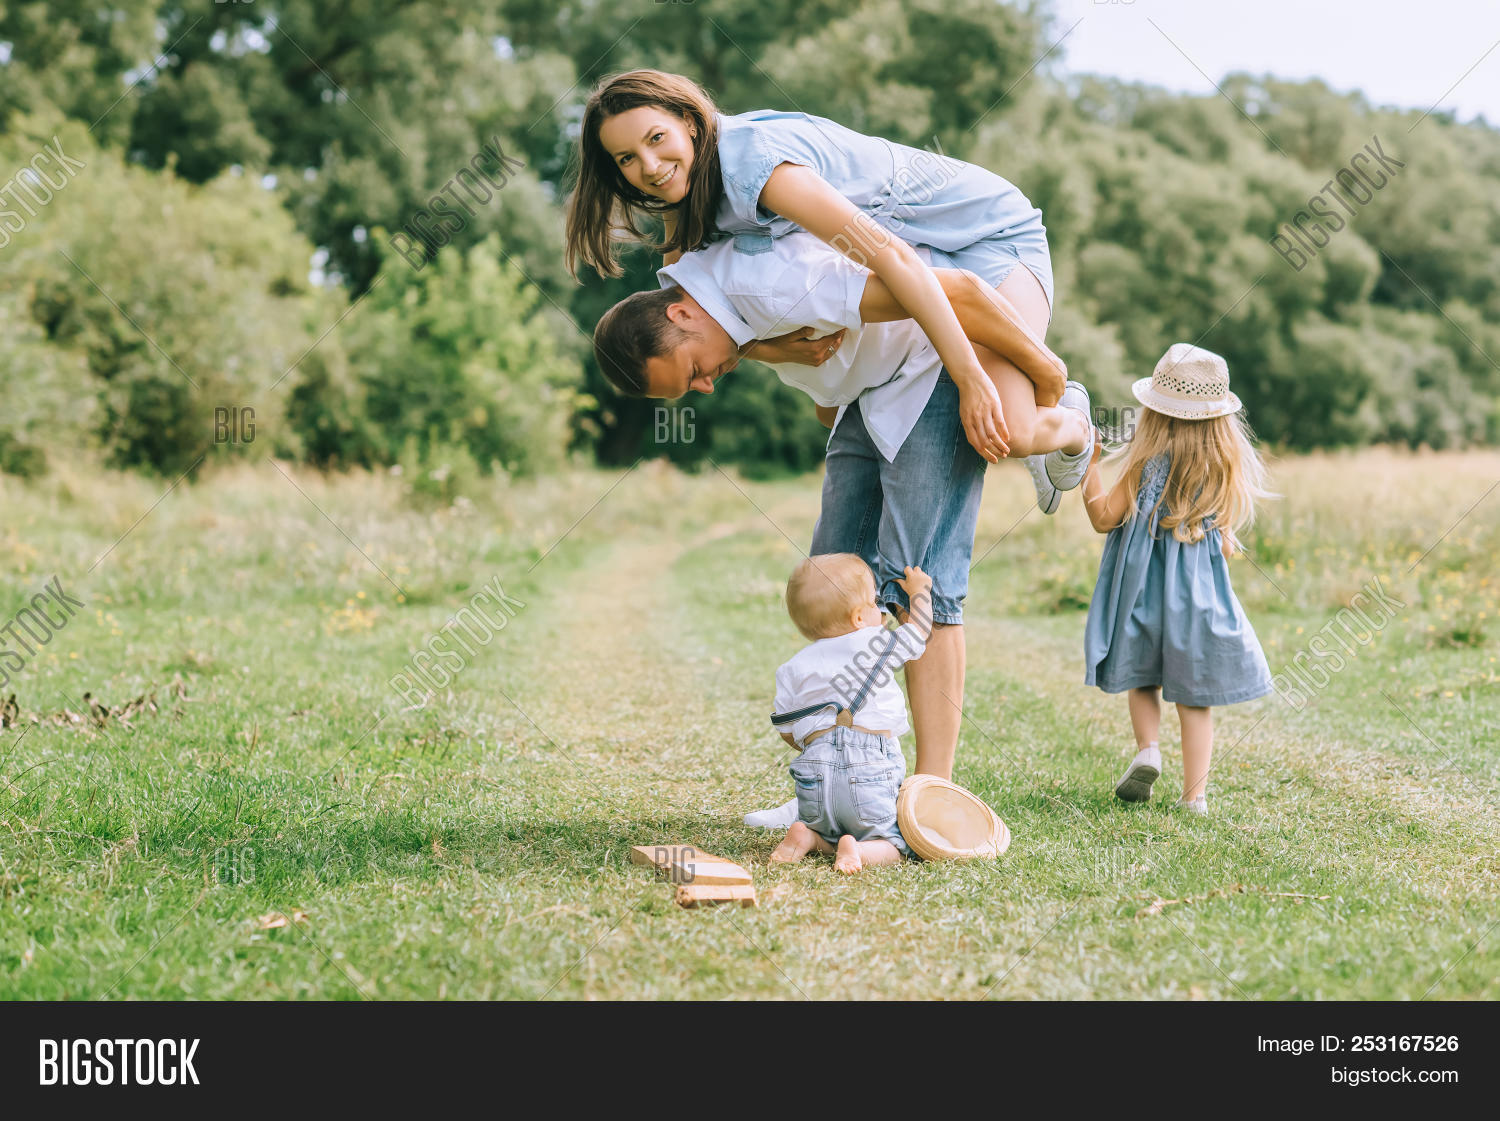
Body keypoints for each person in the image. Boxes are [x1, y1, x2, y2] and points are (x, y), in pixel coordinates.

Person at [592, 232, 1094, 829]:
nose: (706, 385)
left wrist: (1040, 368)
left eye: (695, 372)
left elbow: (942, 289)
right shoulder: (715, 301)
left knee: (920, 583)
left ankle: (932, 790)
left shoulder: (760, 277)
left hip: (931, 366)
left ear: (679, 314)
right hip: (867, 391)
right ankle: (834, 779)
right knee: (829, 582)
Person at [566, 68, 1091, 501]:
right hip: (928, 262)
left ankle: (1070, 417)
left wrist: (970, 375)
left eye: (656, 139)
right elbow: (702, 319)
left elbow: (893, 259)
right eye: (627, 159)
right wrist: (770, 349)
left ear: (689, 123)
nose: (650, 167)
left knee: (1015, 431)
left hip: (983, 237)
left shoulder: (758, 168)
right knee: (829, 411)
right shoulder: (684, 206)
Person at [1079, 344, 1274, 814]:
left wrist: (1087, 469)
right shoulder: (1221, 470)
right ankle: (1195, 797)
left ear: (1156, 413)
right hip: (1198, 600)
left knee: (1142, 676)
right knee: (1195, 695)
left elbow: (1105, 519)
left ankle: (1148, 751)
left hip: (1142, 591)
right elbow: (1225, 544)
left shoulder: (1146, 465)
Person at [768, 556, 933, 874]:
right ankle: (857, 849)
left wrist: (819, 747)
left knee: (830, 829)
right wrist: (920, 592)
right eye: (875, 602)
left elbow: (787, 730)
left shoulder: (792, 668)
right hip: (870, 769)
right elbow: (919, 632)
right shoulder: (878, 642)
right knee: (901, 844)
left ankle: (809, 836)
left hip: (814, 779)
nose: (880, 608)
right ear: (859, 617)